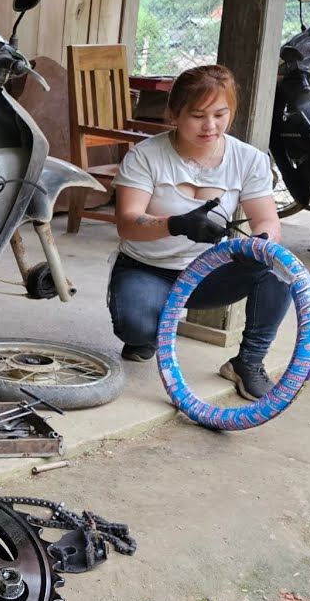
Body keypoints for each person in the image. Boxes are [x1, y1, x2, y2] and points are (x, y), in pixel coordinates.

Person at [109, 64, 291, 401]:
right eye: (197, 115)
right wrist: (176, 224)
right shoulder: (145, 156)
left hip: (208, 271)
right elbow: (127, 223)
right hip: (147, 268)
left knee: (278, 266)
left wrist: (261, 242)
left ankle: (248, 361)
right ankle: (145, 334)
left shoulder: (248, 159)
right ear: (175, 114)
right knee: (137, 329)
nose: (210, 126)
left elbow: (267, 221)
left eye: (220, 114)